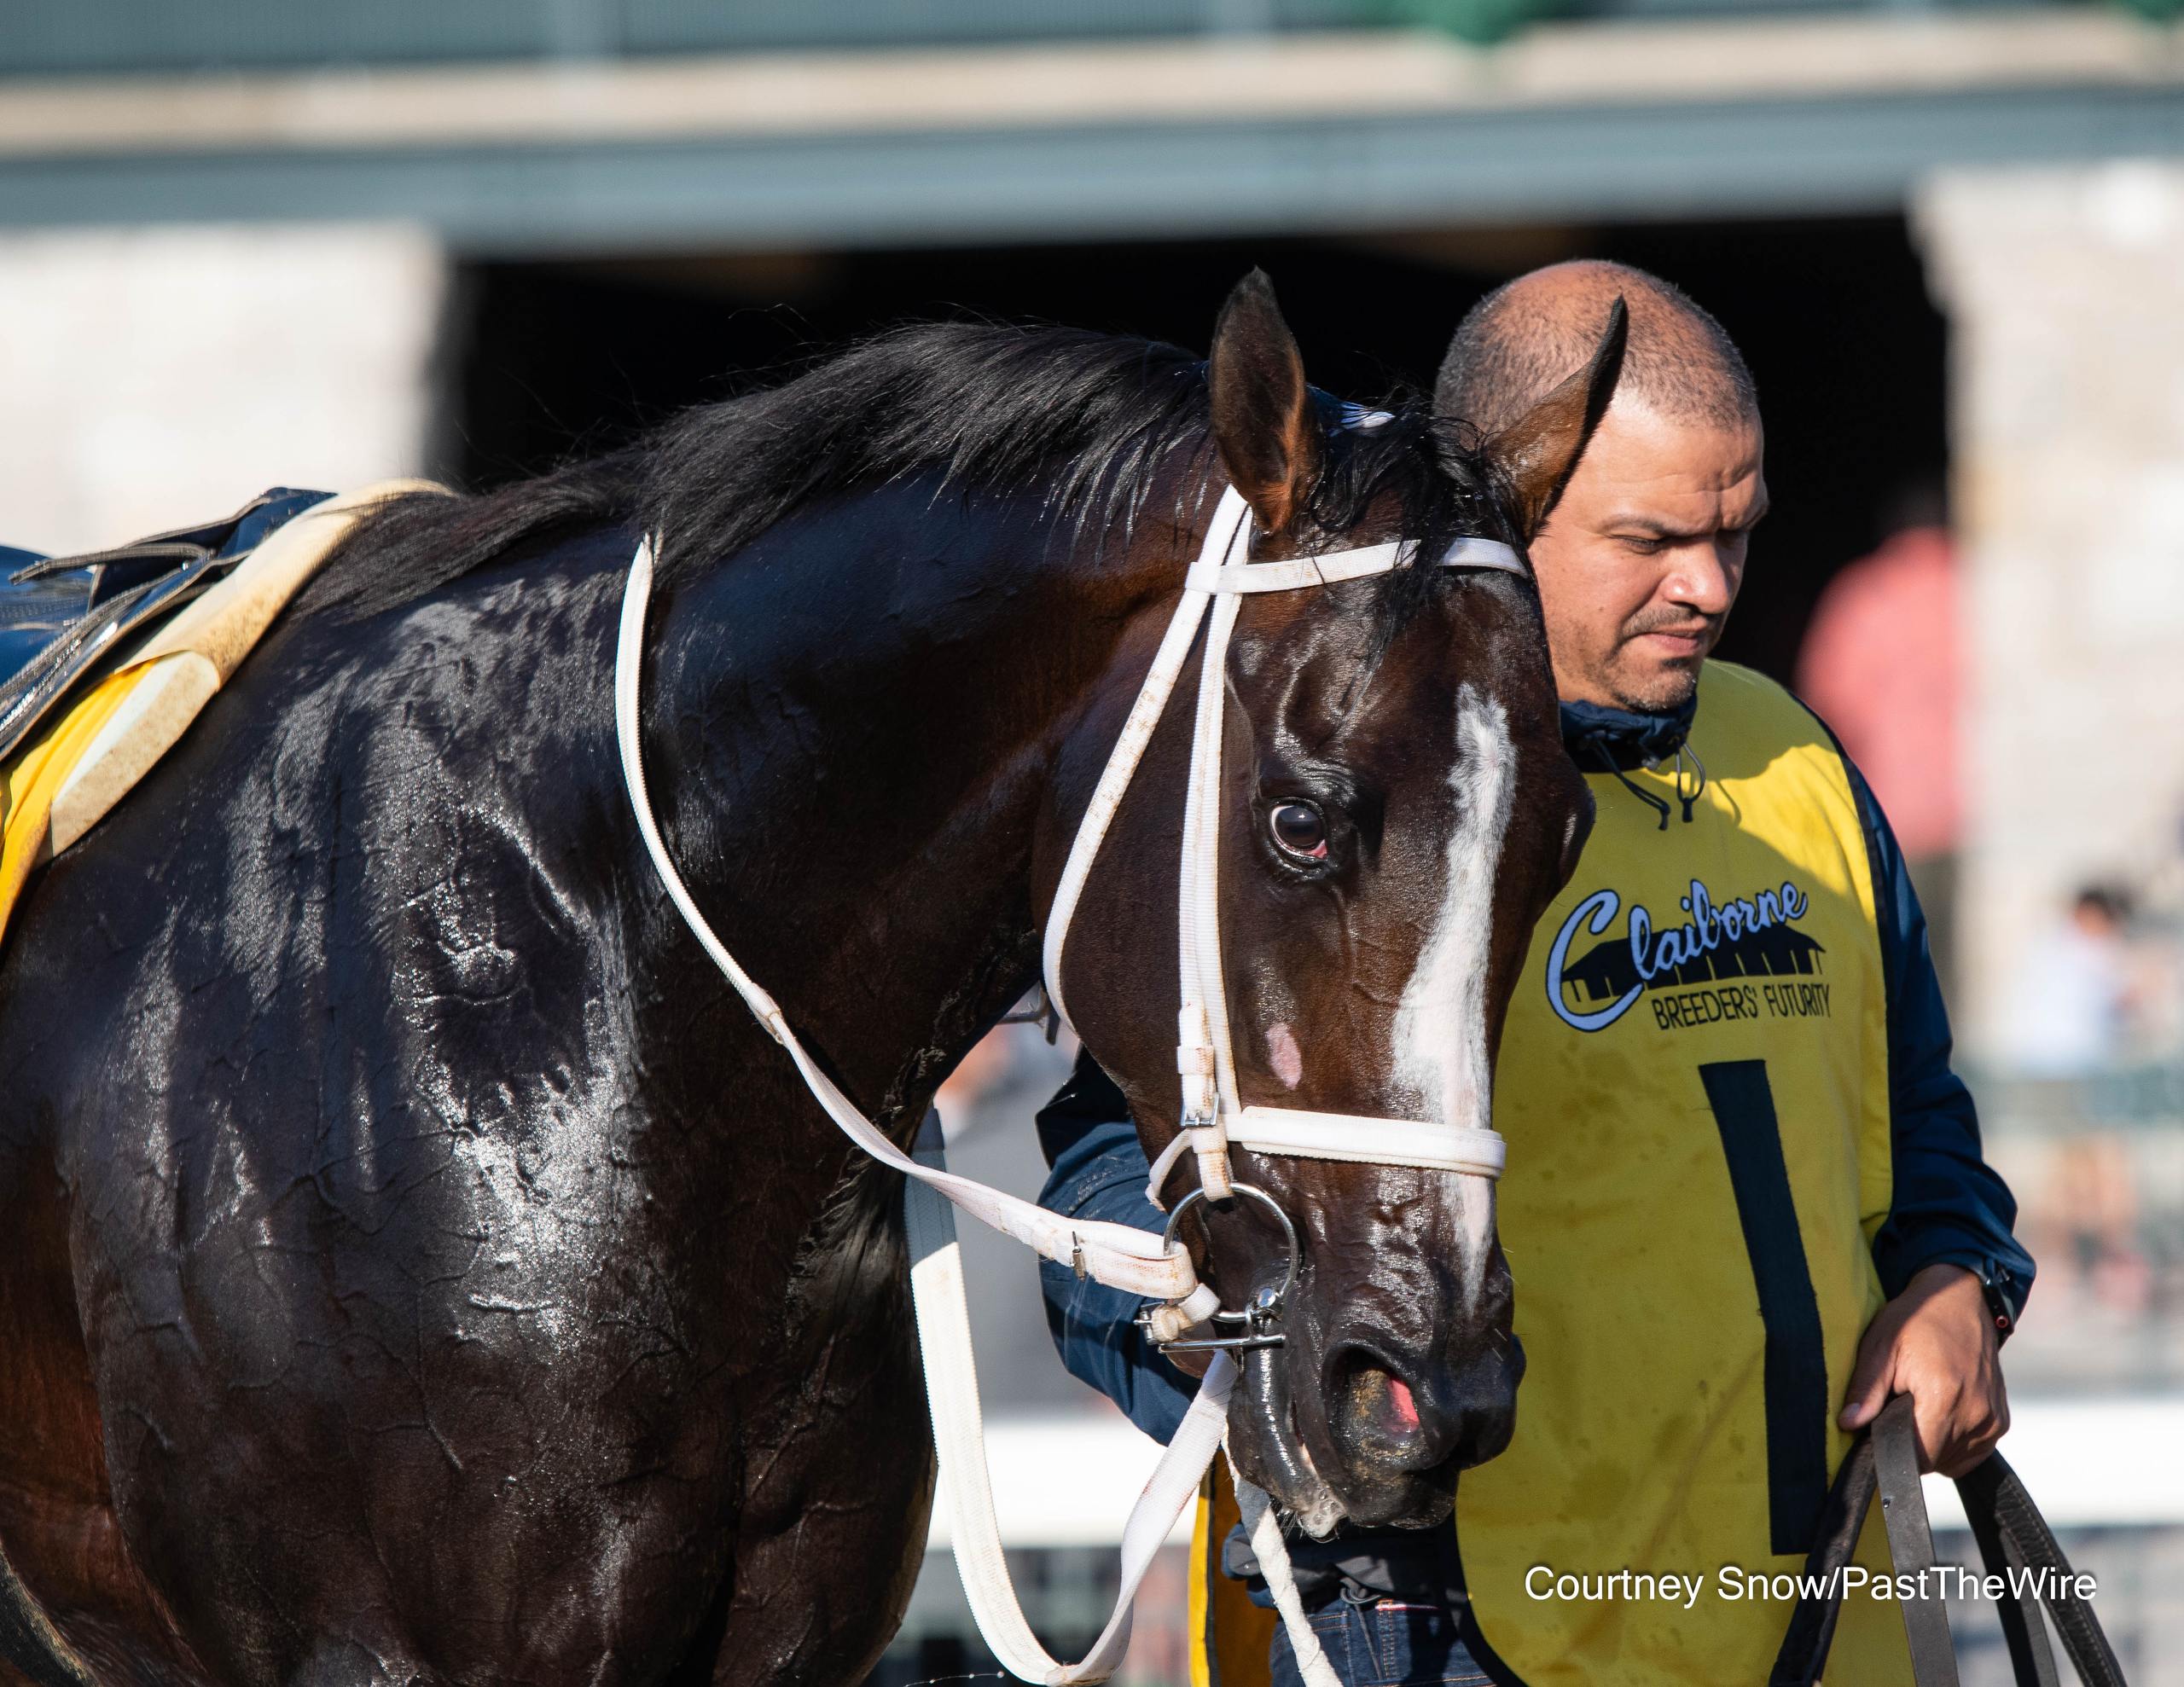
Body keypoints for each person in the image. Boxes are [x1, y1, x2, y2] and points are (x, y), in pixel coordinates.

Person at [1034, 260, 2032, 1687]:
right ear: (1507, 506)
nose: (1710, 586)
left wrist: (1958, 1282)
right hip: (1444, 1620)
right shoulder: (1346, 809)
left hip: (1824, 1618)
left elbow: (1923, 1124)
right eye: (1655, 538)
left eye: (1738, 534)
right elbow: (1096, 1185)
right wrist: (1281, 1375)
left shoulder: (1797, 758)